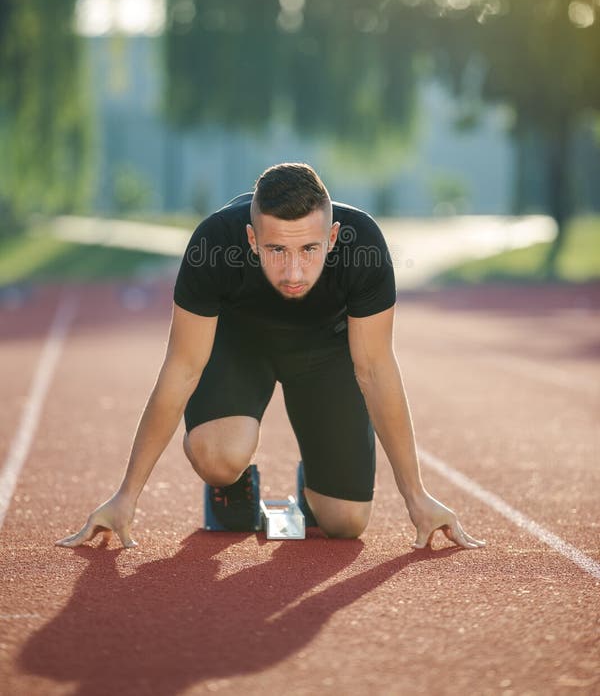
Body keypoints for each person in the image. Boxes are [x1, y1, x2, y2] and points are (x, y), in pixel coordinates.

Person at [57, 163, 484, 550]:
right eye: (277, 250)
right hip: (240, 345)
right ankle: (233, 484)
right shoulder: (214, 243)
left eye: (309, 251)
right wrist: (126, 496)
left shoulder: (363, 246)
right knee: (219, 456)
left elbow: (374, 367)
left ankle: (315, 484)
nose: (294, 273)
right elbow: (182, 368)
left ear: (332, 237)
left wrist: (416, 497)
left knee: (346, 523)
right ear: (251, 237)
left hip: (324, 351)